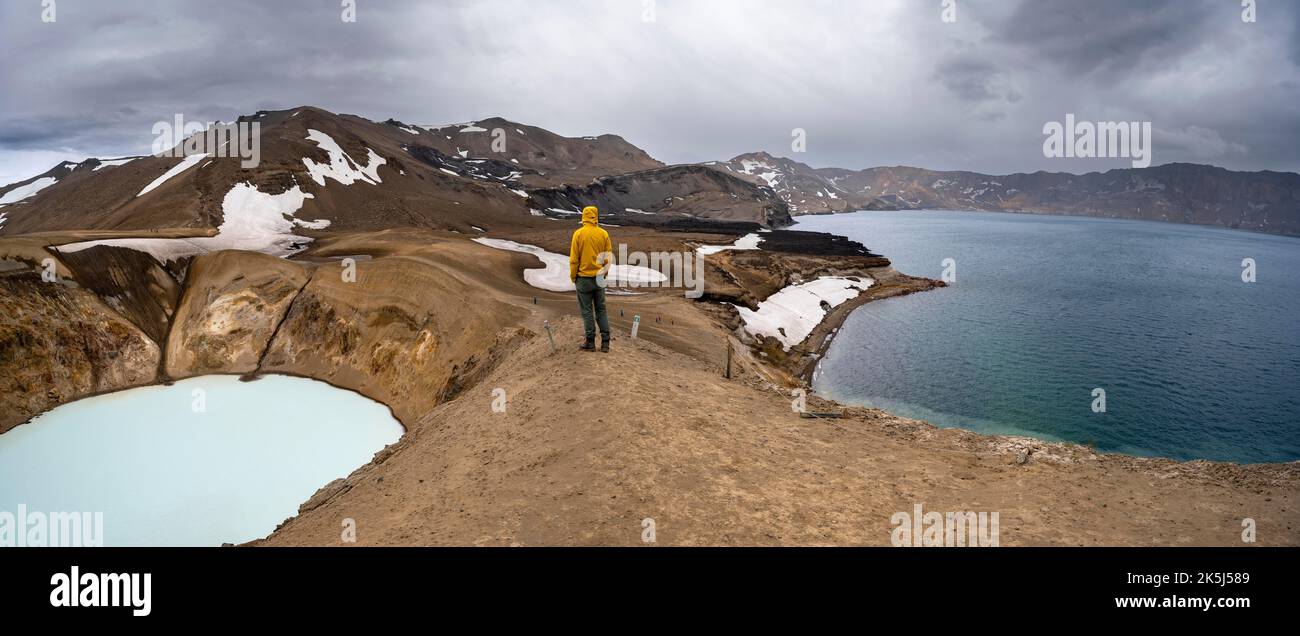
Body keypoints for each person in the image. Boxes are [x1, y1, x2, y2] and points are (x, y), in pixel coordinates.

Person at [569, 205, 612, 352]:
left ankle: (590, 342)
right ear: (596, 216)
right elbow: (607, 258)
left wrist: (573, 276)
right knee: (601, 309)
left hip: (583, 278)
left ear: (584, 217)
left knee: (587, 311)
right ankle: (605, 342)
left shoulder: (578, 234)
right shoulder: (603, 234)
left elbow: (574, 259)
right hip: (599, 277)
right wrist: (604, 274)